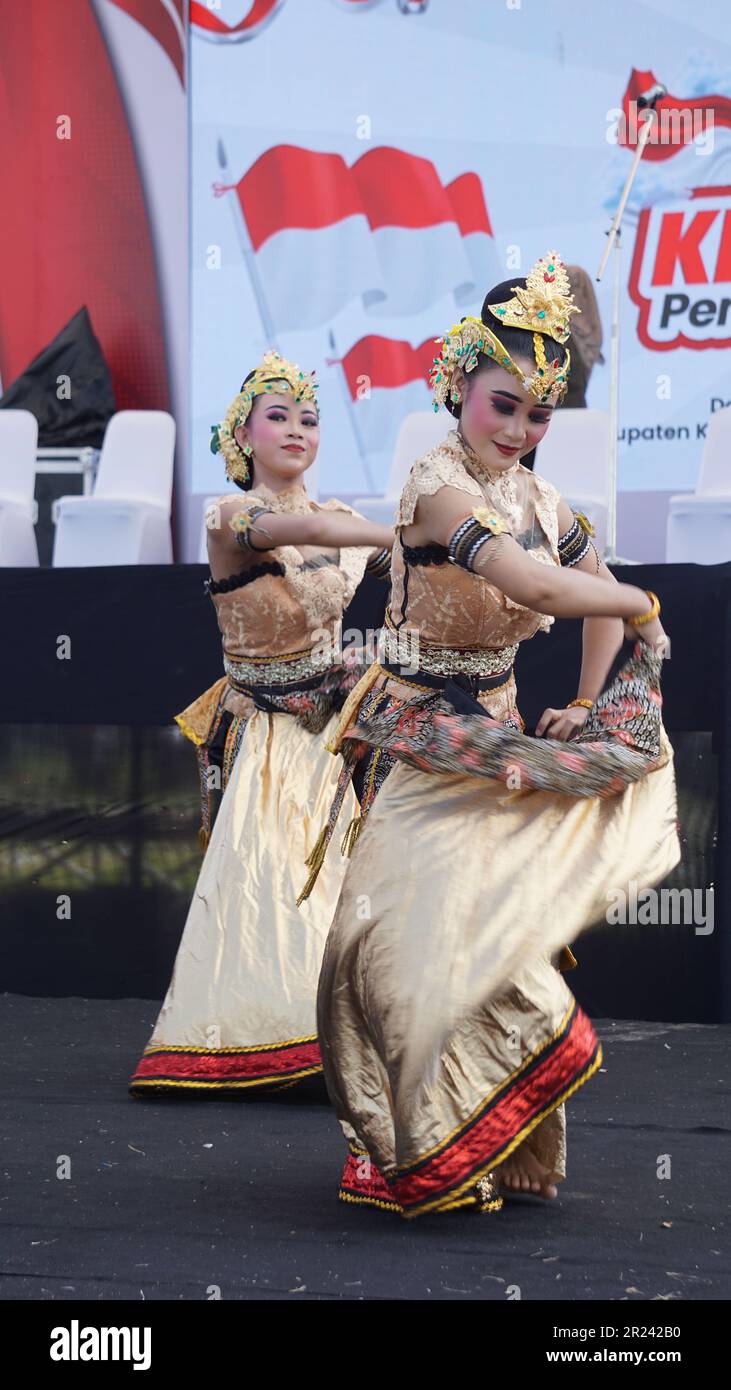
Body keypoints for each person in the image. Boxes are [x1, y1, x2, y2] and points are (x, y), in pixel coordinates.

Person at [307, 255, 681, 1218]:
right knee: (385, 943)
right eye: (502, 406)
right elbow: (543, 590)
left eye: (537, 415)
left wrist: (588, 700)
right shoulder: (437, 485)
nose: (518, 431)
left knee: (489, 929)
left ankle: (494, 1140)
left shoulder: (544, 502)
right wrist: (638, 601)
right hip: (421, 735)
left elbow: (583, 583)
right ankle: (404, 1145)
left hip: (500, 732)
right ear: (458, 388)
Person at [129, 351, 393, 1097]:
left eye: (309, 418)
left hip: (334, 727)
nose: (297, 429)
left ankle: (344, 1036)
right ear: (241, 434)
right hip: (266, 731)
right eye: (278, 416)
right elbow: (286, 525)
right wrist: (393, 531)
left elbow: (412, 576)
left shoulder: (341, 521)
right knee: (269, 889)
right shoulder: (227, 517)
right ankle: (262, 1040)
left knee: (344, 883)